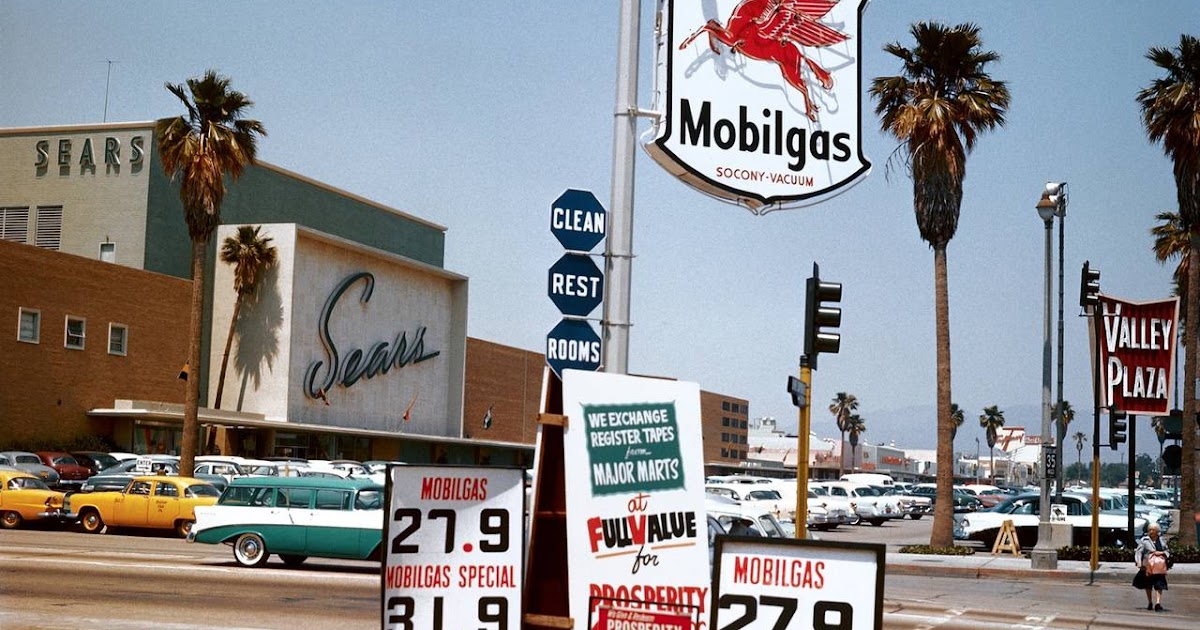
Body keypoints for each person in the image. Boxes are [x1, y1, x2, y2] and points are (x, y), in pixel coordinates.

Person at [1133, 521, 1170, 611]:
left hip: (1159, 567)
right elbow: (1139, 552)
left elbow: (1167, 551)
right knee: (1148, 585)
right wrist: (1139, 562)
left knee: (1159, 585)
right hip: (1148, 566)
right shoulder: (1144, 540)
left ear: (1157, 531)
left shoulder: (1162, 540)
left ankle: (1158, 603)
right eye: (1150, 530)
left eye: (1153, 530)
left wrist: (1162, 553)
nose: (1151, 532)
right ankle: (1150, 602)